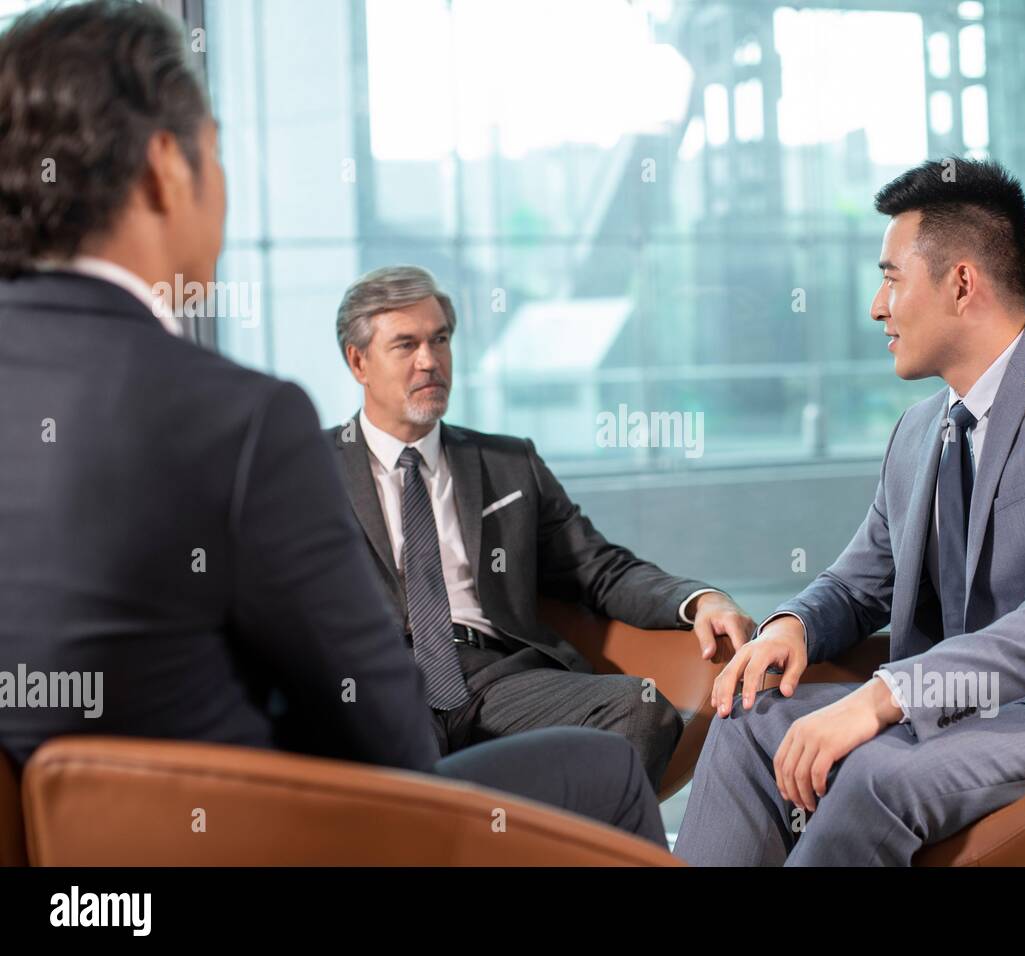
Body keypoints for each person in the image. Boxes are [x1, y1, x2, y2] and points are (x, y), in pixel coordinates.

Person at [0, 0, 663, 846]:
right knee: (600, 768)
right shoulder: (240, 419)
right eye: (216, 151)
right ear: (167, 167)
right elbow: (385, 737)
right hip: (271, 839)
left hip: (81, 853)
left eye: (440, 341)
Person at [673, 158, 1025, 865]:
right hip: (970, 706)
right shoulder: (918, 431)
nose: (877, 306)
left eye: (891, 278)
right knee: (748, 719)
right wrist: (793, 626)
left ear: (962, 282)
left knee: (877, 776)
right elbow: (858, 583)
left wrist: (882, 699)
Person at [326, 265, 756, 790]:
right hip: (379, 681)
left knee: (641, 710)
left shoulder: (508, 464)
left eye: (440, 340)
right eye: (406, 345)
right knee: (392, 736)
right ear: (358, 361)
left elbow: (598, 568)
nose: (429, 361)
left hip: (495, 679)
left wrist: (699, 600)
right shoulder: (306, 469)